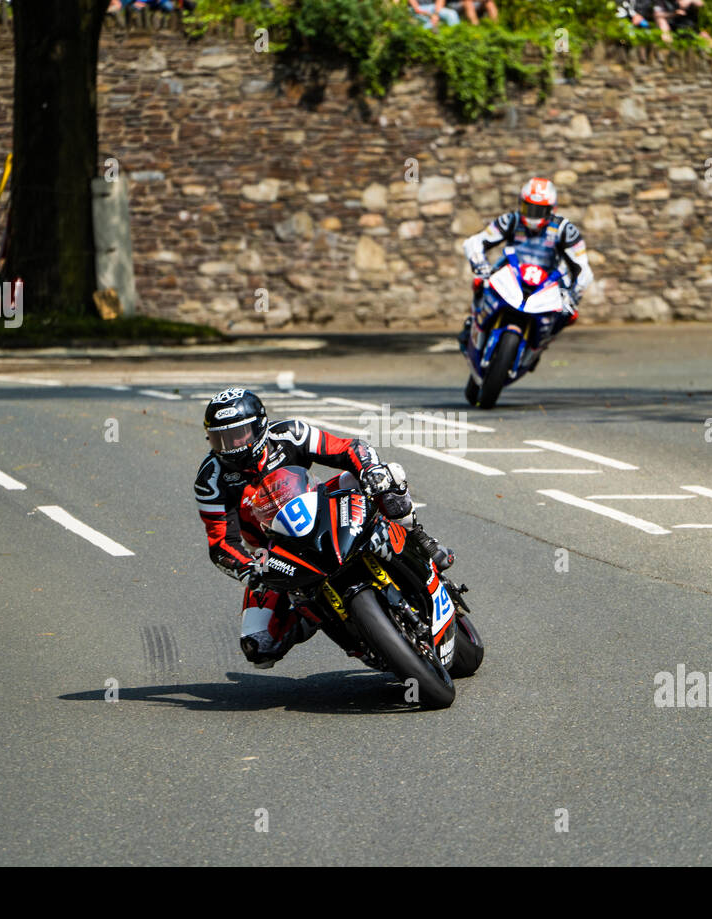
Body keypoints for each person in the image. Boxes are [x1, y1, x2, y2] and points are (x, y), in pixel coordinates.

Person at [196, 387, 454, 668]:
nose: (230, 446)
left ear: (259, 427)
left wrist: (370, 469)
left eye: (237, 435)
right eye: (220, 439)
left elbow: (347, 448)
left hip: (322, 508)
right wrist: (248, 569)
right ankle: (317, 614)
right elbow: (221, 542)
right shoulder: (210, 479)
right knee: (259, 646)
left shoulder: (289, 434)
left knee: (389, 474)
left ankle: (422, 539)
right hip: (275, 552)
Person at [457, 177, 594, 362]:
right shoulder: (510, 220)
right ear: (520, 204)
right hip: (510, 277)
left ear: (551, 210)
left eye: (539, 210)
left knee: (569, 314)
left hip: (546, 285)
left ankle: (540, 345)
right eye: (528, 208)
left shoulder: (565, 230)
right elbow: (475, 242)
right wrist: (480, 263)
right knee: (480, 283)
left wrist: (574, 294)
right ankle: (472, 324)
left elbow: (583, 268)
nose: (532, 215)